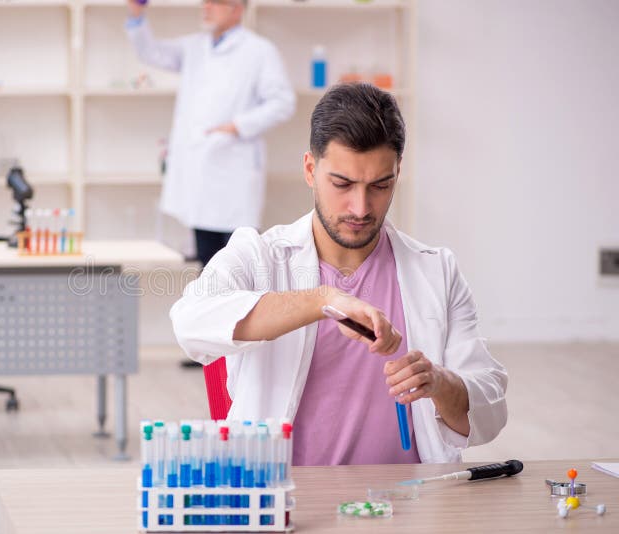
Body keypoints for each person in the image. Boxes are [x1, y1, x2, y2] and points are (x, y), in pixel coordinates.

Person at [170, 83, 508, 464]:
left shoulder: (436, 270)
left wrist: (440, 382)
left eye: (380, 185)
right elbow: (190, 322)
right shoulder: (258, 255)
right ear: (311, 170)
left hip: (409, 505)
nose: (361, 207)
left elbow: (491, 407)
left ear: (398, 172)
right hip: (291, 502)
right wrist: (323, 300)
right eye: (342, 184)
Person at [125, 0, 295, 267]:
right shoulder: (195, 47)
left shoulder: (259, 51)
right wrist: (136, 15)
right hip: (203, 175)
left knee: (240, 263)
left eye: (215, 2)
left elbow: (283, 102)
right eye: (205, 2)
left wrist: (237, 125)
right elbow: (151, 53)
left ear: (237, 9)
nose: (206, 7)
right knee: (207, 263)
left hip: (234, 171)